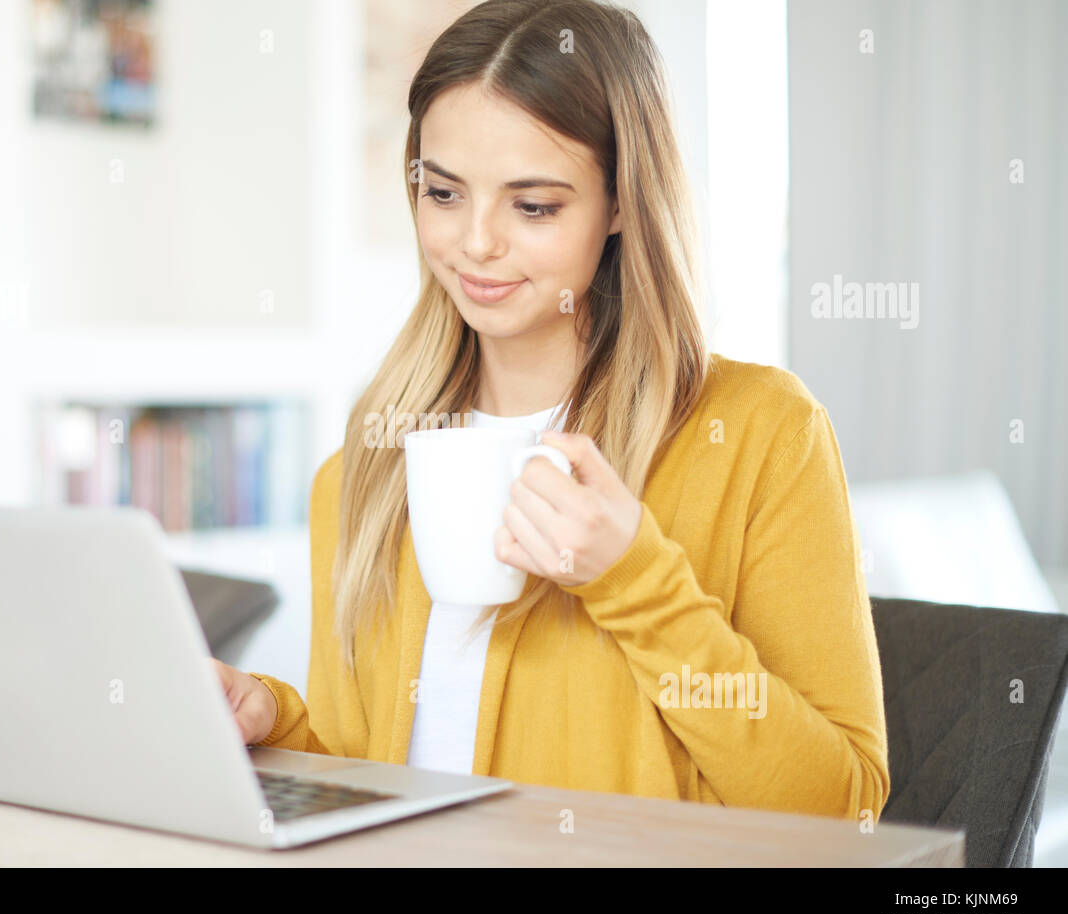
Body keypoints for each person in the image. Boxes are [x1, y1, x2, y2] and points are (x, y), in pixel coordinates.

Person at [213, 0, 889, 822]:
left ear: (621, 204)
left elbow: (841, 806)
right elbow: (382, 770)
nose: (476, 243)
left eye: (533, 206)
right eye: (444, 192)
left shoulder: (762, 435)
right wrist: (272, 717)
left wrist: (633, 574)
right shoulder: (370, 467)